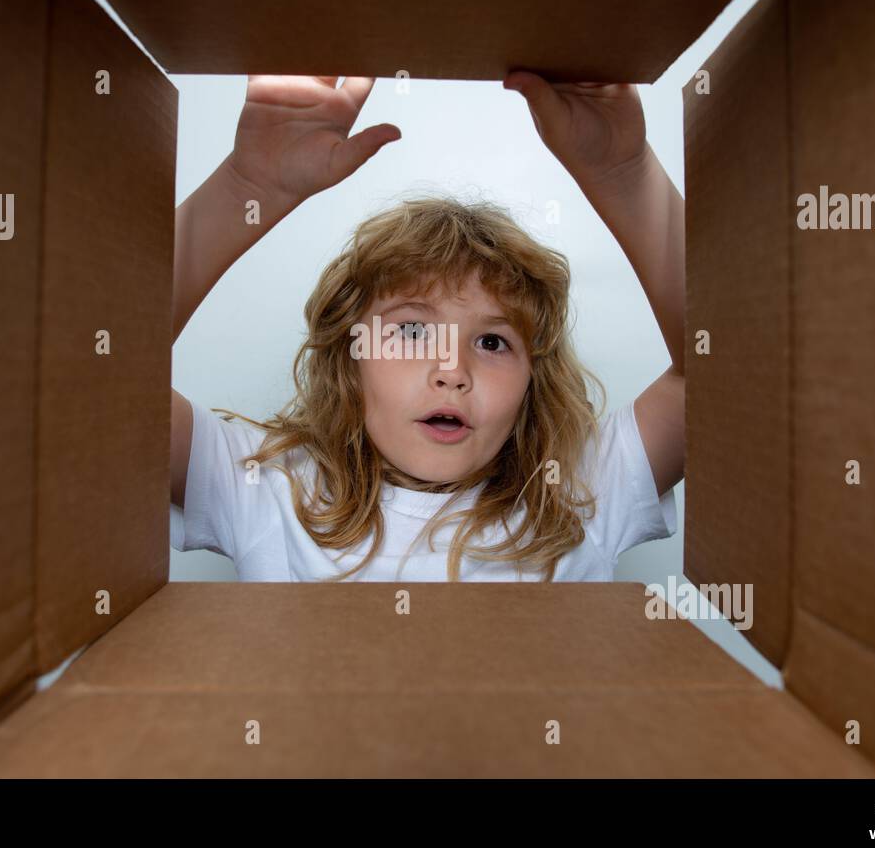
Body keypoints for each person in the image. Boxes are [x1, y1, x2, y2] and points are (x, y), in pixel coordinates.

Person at [170, 74, 684, 581]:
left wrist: (625, 174)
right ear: (351, 356)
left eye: (492, 342)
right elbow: (120, 369)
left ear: (534, 377)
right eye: (414, 332)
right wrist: (248, 187)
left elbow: (719, 366)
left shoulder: (584, 489)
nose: (452, 371)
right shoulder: (264, 486)